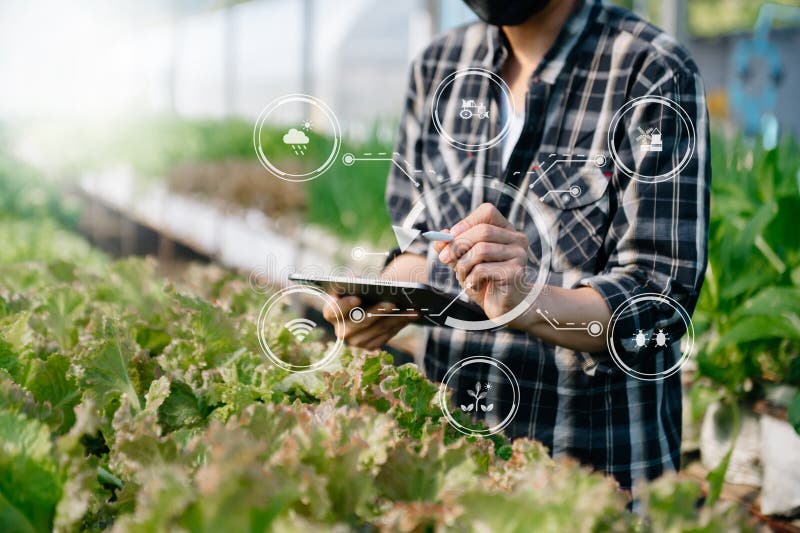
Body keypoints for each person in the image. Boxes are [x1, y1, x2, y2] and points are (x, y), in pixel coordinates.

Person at [324, 0, 710, 491]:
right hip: (452, 464)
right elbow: (417, 244)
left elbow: (658, 299)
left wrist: (528, 302)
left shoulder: (650, 70)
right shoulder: (440, 66)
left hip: (588, 471)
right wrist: (384, 299)